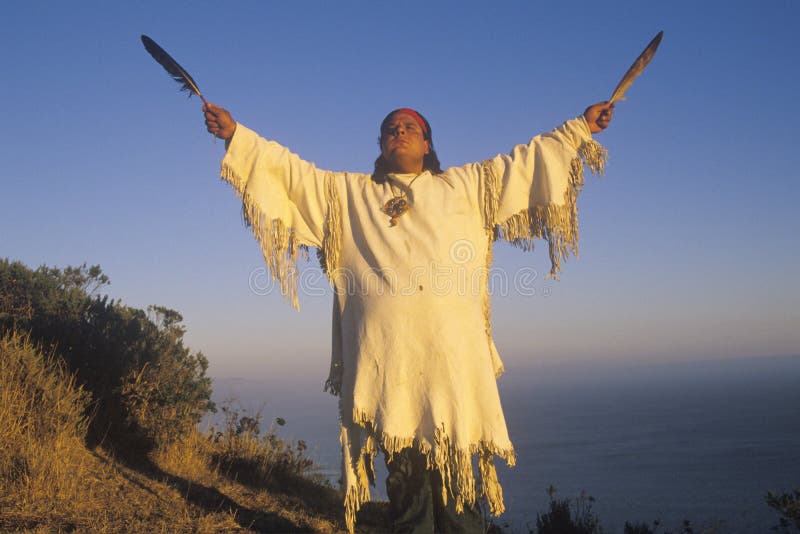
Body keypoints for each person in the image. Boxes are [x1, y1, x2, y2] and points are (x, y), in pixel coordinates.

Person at [203, 101, 613, 533]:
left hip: (451, 366)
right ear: (380, 145)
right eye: (390, 129)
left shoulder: (468, 186)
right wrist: (236, 136)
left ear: (428, 142)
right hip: (390, 367)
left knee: (459, 494)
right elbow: (289, 174)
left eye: (409, 126)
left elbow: (525, 164)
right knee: (407, 491)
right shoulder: (348, 194)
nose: (400, 131)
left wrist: (580, 128)